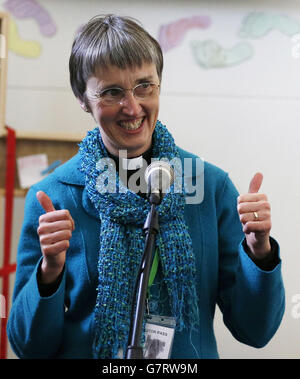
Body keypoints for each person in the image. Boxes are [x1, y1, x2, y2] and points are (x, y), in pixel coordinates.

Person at [7, 14, 285, 359]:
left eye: (144, 86)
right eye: (112, 92)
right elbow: (27, 347)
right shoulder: (56, 197)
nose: (132, 107)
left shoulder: (209, 188)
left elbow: (256, 331)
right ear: (83, 99)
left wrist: (260, 252)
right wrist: (49, 271)